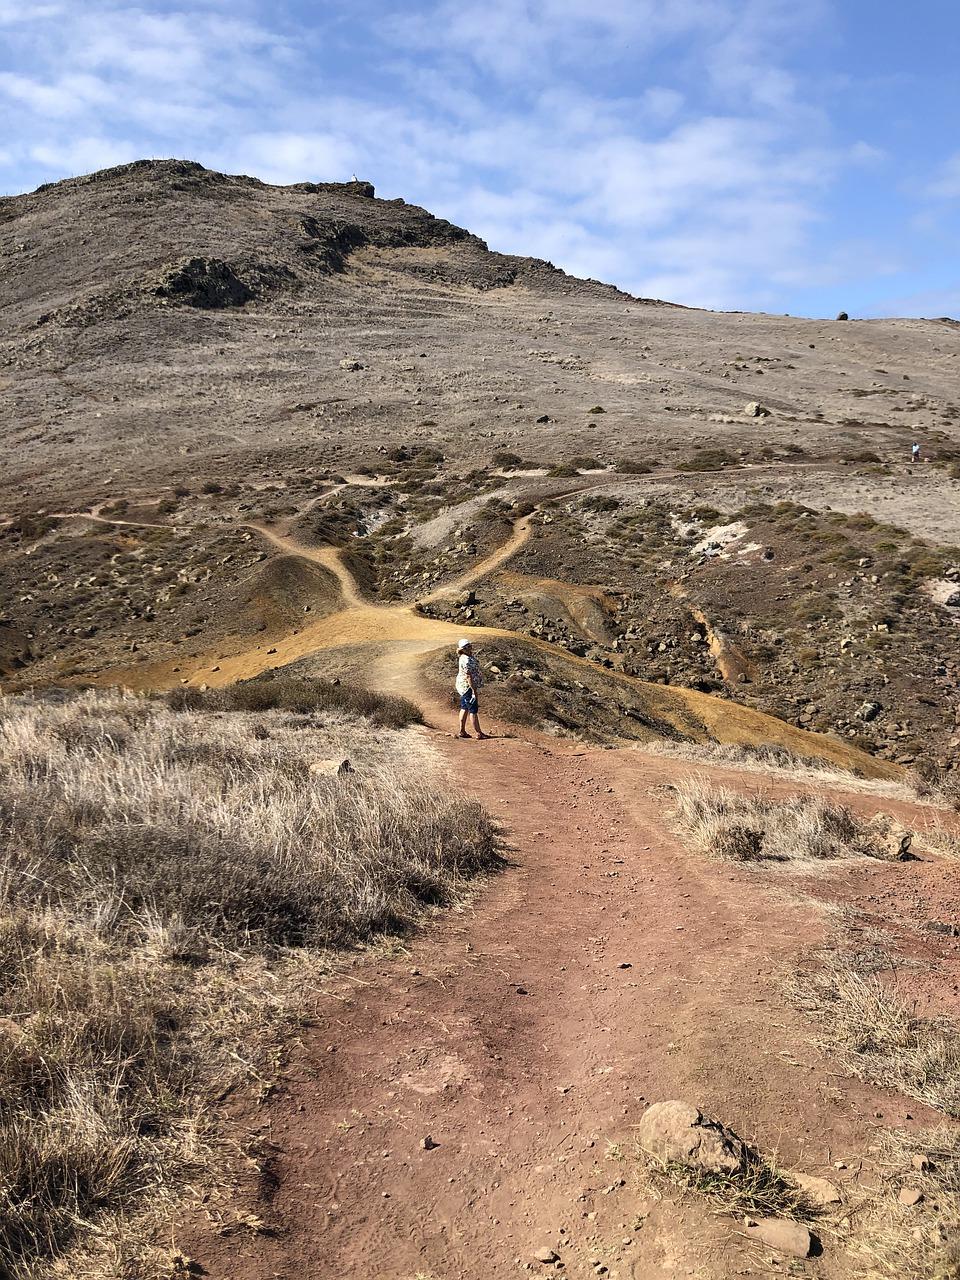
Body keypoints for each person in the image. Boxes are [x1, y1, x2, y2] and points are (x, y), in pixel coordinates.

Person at [455, 638, 488, 740]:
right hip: (468, 687)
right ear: (463, 649)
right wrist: (474, 690)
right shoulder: (467, 660)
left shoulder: (465, 657)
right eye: (467, 647)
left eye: (470, 645)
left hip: (464, 686)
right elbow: (468, 676)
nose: (470, 648)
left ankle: (462, 731)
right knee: (473, 710)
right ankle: (479, 733)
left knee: (464, 708)